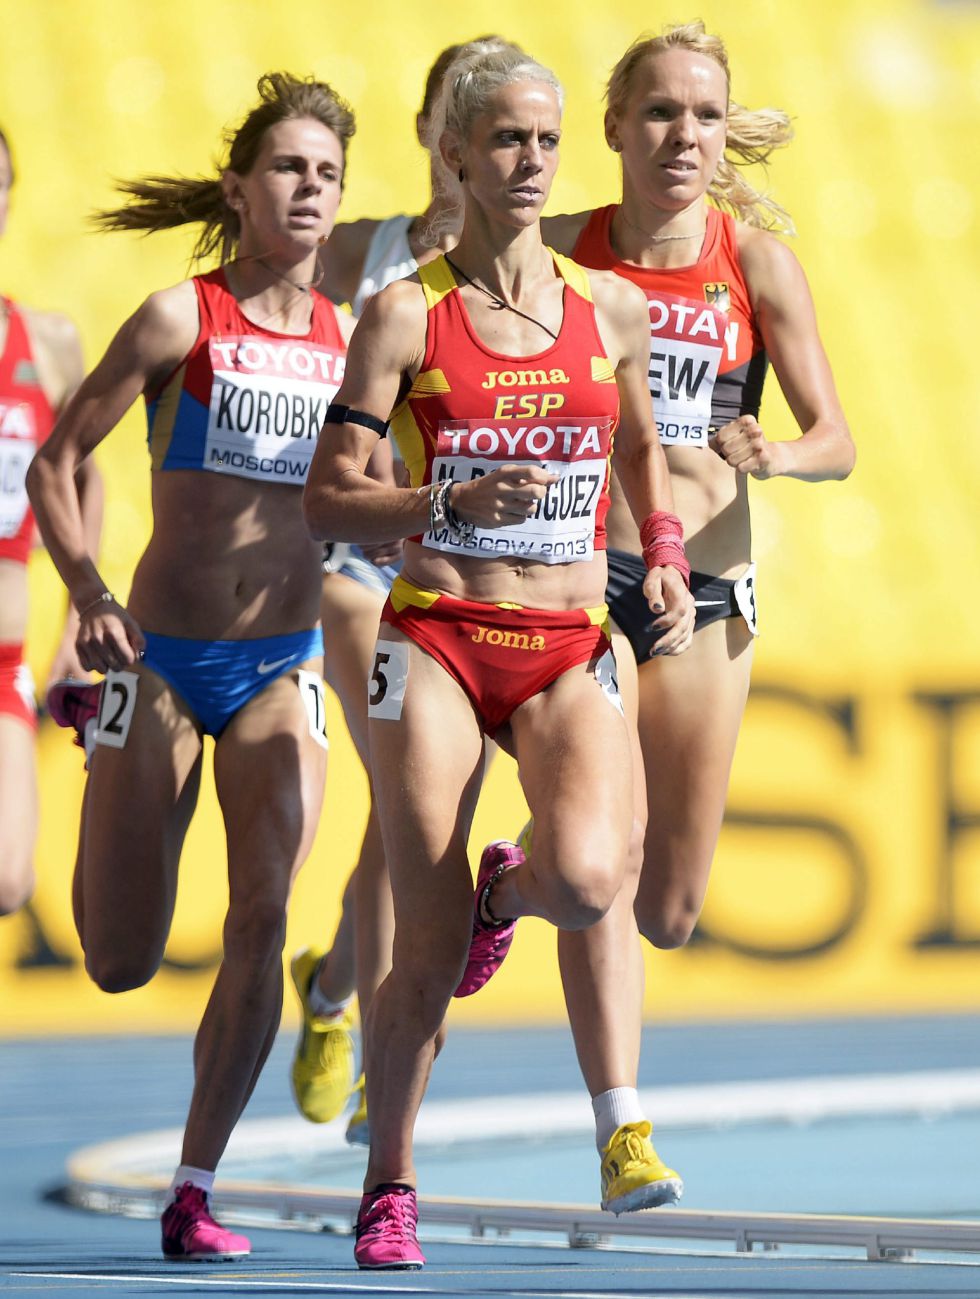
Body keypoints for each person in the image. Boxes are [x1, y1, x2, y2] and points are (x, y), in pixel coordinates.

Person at [302, 41, 694, 1270]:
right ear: (456, 154)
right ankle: (390, 1182)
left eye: (546, 140)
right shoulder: (403, 313)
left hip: (566, 642)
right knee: (419, 950)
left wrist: (664, 552)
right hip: (438, 635)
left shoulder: (607, 307)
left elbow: (639, 448)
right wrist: (439, 504)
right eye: (507, 139)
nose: (531, 162)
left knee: (584, 883)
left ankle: (502, 897)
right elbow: (326, 497)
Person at [27, 73, 356, 1261]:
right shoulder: (180, 319)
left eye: (327, 173)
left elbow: (380, 488)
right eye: (287, 167)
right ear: (237, 187)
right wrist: (88, 596)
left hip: (282, 663)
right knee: (118, 960)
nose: (308, 188)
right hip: (158, 661)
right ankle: (98, 727)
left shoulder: (357, 339)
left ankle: (195, 1186)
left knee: (261, 914)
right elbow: (53, 463)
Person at [531, 20, 855, 1209]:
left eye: (704, 115)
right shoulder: (558, 252)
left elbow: (835, 438)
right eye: (660, 111)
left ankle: (520, 875)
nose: (682, 134)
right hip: (583, 583)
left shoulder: (752, 265)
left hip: (708, 587)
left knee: (667, 906)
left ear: (723, 136)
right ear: (613, 127)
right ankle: (620, 1129)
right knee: (605, 859)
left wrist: (777, 453)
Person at [289, 36, 511, 1145]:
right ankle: (388, 1064)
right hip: (359, 562)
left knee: (413, 818)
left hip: (470, 574)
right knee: (401, 797)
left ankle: (333, 985)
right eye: (456, 109)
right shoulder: (359, 252)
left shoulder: (522, 266)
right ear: (430, 129)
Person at [0, 126, 99, 916]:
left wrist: (79, 614)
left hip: (7, 661)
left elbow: (84, 475)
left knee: (7, 880)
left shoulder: (50, 342)